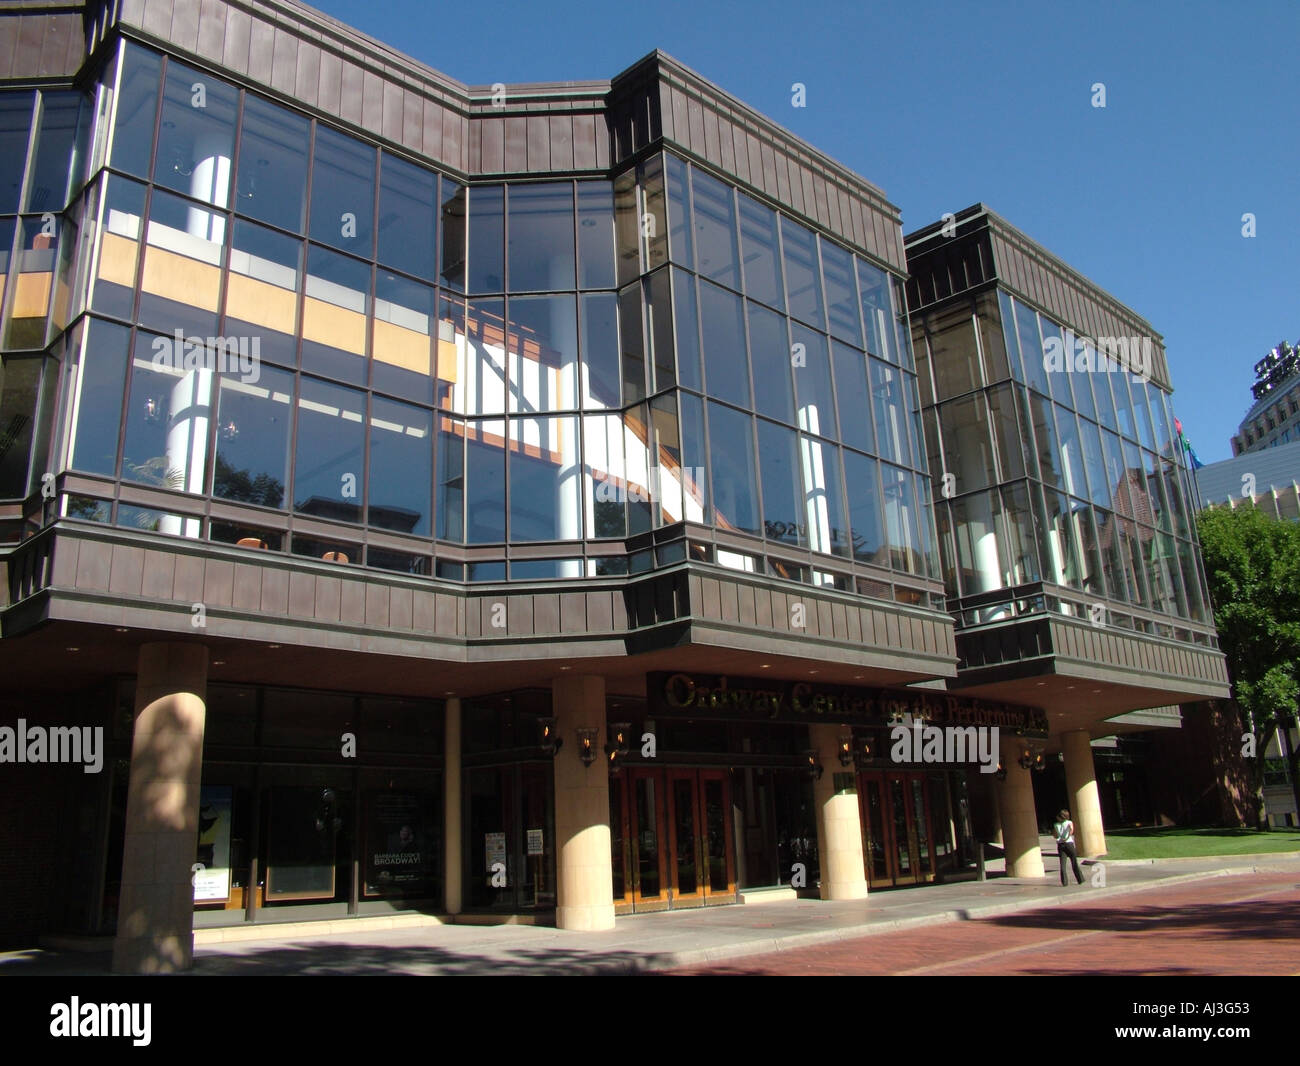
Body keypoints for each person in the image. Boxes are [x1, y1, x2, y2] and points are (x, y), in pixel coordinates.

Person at [1054, 808, 1084, 885]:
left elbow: (1055, 836)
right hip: (1069, 843)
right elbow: (1071, 831)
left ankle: (1064, 882)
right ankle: (1080, 879)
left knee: (1062, 864)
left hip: (1060, 845)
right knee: (1074, 862)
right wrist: (1067, 837)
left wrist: (1059, 836)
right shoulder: (1069, 822)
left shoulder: (1056, 825)